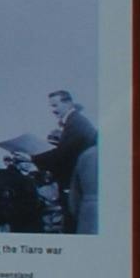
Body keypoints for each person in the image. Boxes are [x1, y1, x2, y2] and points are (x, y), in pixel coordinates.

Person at [45, 92, 102, 234]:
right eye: (51, 106)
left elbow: (62, 156)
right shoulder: (75, 122)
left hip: (76, 189)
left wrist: (33, 157)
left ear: (68, 103)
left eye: (55, 105)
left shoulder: (76, 123)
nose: (52, 110)